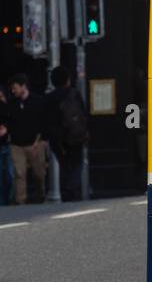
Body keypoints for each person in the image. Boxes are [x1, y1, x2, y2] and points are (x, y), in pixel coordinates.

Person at [45, 66, 88, 203]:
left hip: (57, 139)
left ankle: (66, 190)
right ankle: (72, 190)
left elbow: (46, 120)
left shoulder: (49, 98)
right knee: (76, 164)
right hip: (75, 136)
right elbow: (83, 114)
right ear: (67, 80)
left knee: (64, 164)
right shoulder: (74, 94)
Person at [7, 73, 48, 205]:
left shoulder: (38, 101)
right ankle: (21, 201)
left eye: (15, 88)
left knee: (39, 173)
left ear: (23, 86)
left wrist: (41, 140)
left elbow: (44, 122)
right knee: (19, 173)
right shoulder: (12, 104)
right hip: (16, 144)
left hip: (35, 143)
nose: (13, 91)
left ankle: (41, 195)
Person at [0, 84, 13, 206]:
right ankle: (3, 202)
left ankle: (9, 200)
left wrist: (6, 128)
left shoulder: (7, 105)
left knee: (10, 176)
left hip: (7, 144)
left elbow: (11, 120)